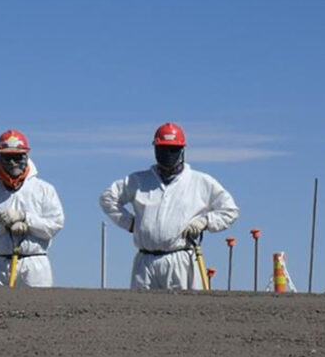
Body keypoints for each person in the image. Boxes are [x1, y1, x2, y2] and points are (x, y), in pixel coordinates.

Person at [99, 122, 239, 290]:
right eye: (163, 149)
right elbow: (108, 198)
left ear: (182, 151)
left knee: (183, 312)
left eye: (172, 150)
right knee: (140, 311)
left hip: (181, 261)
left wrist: (206, 221)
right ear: (156, 150)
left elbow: (230, 210)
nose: (168, 154)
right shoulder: (138, 181)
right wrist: (129, 223)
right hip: (145, 262)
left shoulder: (200, 182)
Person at [0, 129, 64, 287]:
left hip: (34, 264)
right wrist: (1, 225)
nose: (13, 163)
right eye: (7, 157)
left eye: (17, 157)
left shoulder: (44, 190)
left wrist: (26, 219)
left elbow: (54, 225)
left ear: (26, 157)